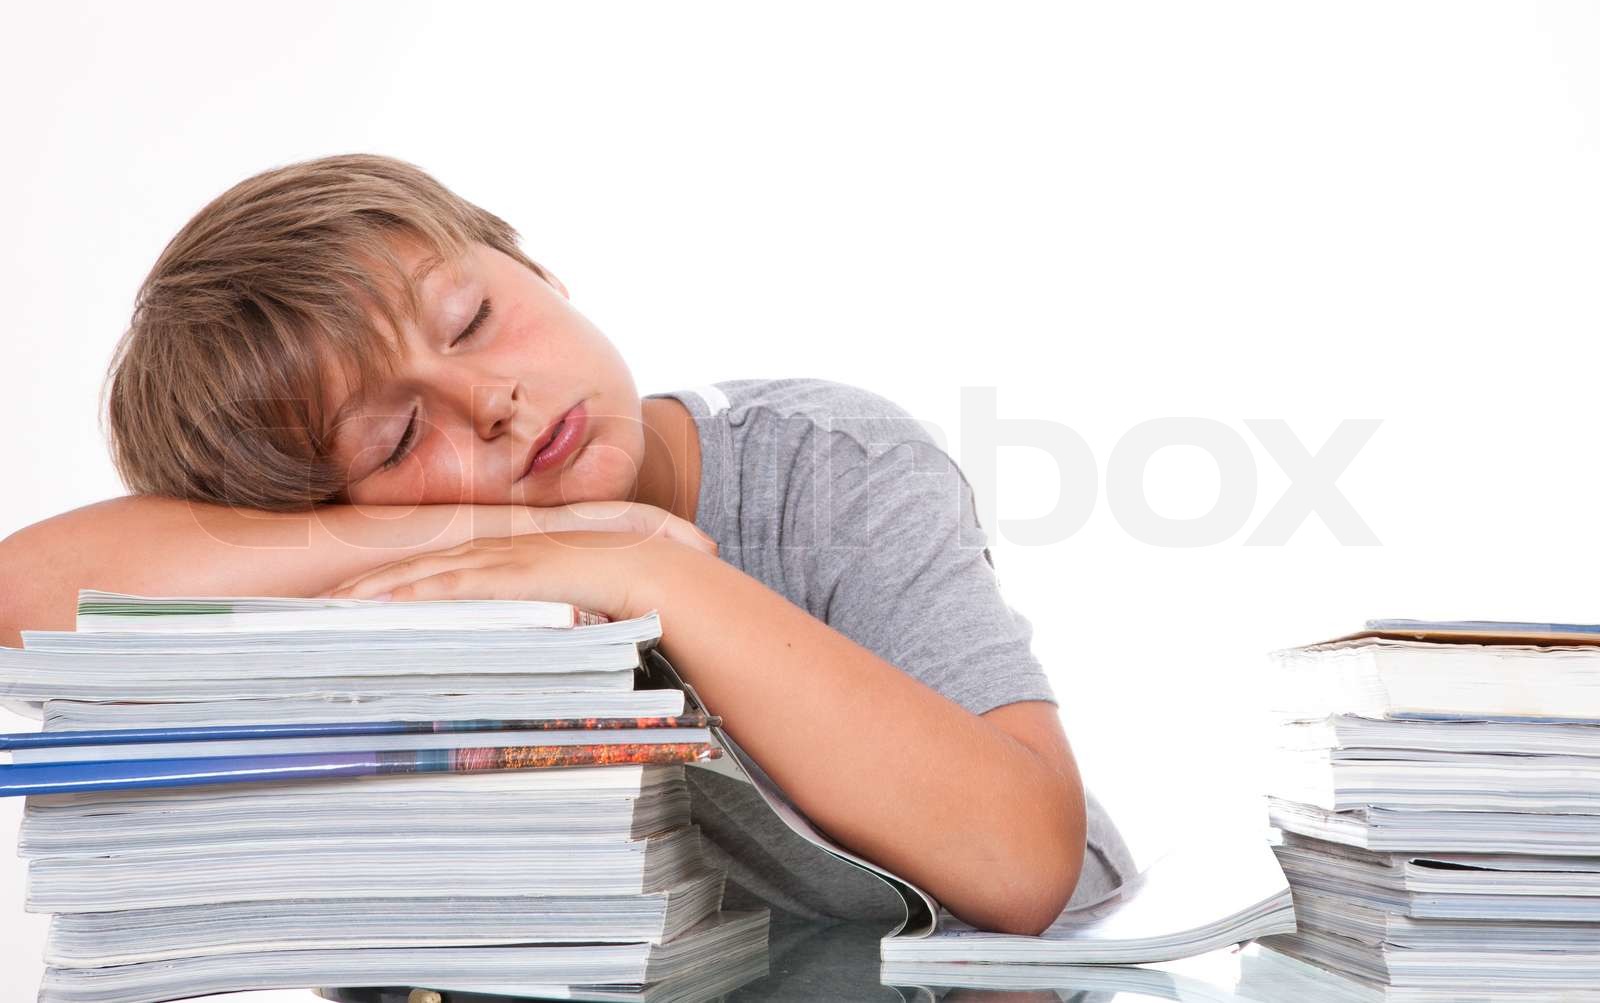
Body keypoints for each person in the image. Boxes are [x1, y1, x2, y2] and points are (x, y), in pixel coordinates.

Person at [0, 154, 1134, 935]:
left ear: (535, 268)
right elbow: (19, 593)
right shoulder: (378, 569)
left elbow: (1021, 866)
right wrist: (504, 528)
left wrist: (645, 571)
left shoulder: (827, 463)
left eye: (472, 319)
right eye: (396, 436)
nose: (490, 396)